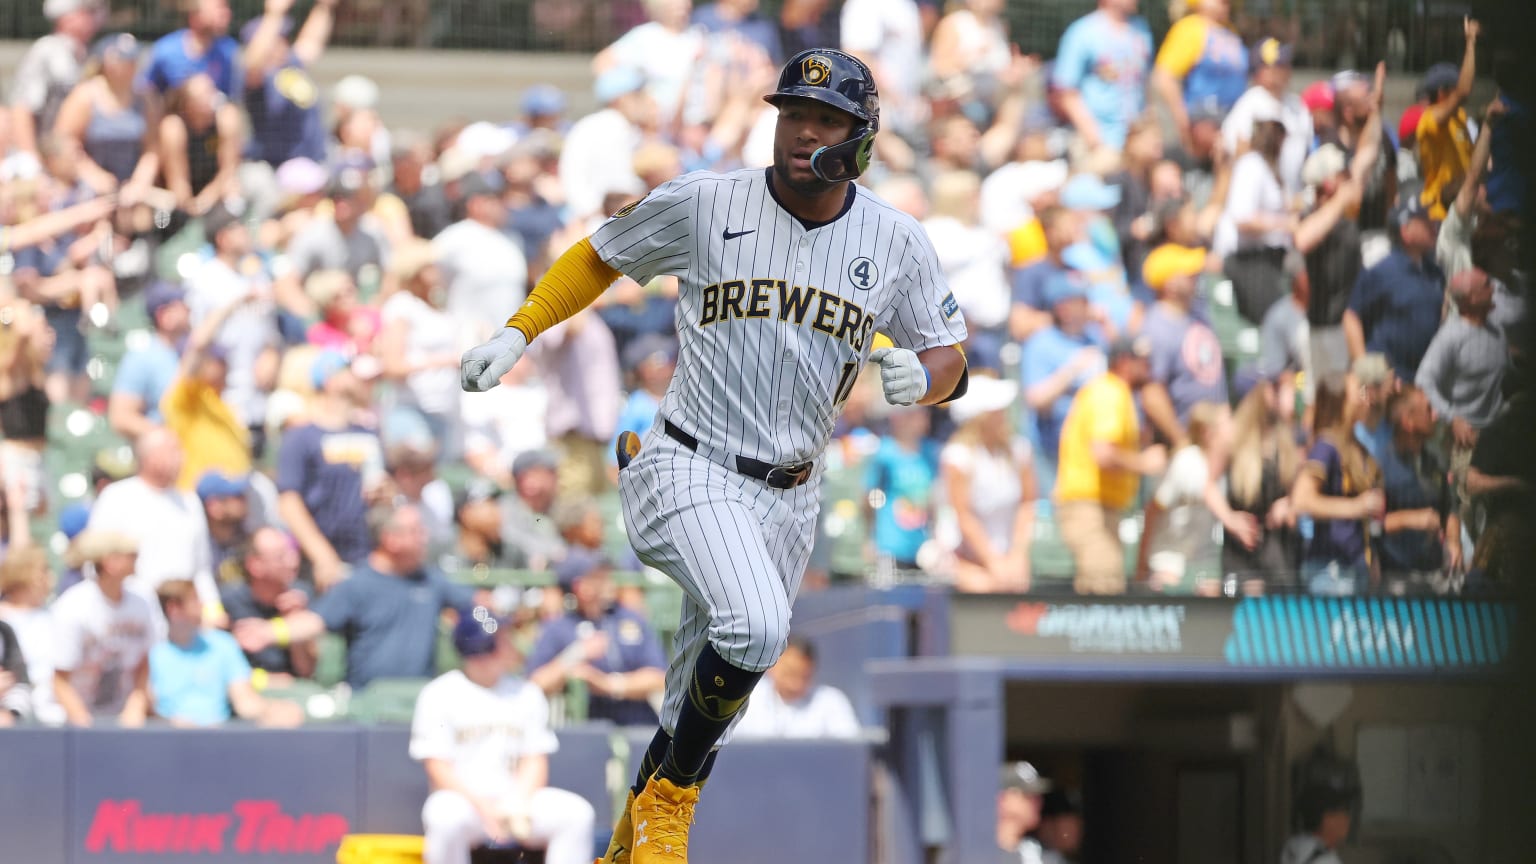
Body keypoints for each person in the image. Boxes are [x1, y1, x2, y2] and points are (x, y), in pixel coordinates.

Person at [461, 49, 968, 864]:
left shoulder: (896, 241)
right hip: (687, 462)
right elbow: (602, 253)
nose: (804, 131)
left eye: (826, 120)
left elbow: (951, 353)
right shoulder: (708, 201)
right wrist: (520, 330)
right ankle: (667, 802)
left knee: (704, 701)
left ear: (862, 140)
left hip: (793, 492)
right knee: (759, 626)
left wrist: (926, 379)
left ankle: (629, 844)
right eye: (794, 113)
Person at [410, 607, 596, 864]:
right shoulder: (439, 693)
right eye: (502, 639)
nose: (511, 644)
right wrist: (484, 809)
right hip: (465, 803)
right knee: (444, 816)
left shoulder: (526, 693)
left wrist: (518, 803)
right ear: (482, 649)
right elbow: (437, 767)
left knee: (576, 814)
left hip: (516, 800)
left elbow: (535, 759)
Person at [233, 505, 477, 690]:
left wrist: (491, 623)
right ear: (390, 539)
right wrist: (271, 632)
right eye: (415, 531)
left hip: (418, 701)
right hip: (369, 703)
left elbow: (476, 607)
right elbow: (316, 621)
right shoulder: (357, 584)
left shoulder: (431, 581)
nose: (424, 537)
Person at [1053, 336, 1167, 595]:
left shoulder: (1114, 392)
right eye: (1143, 361)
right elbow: (1103, 454)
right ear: (1125, 362)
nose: (1149, 367)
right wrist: (1143, 462)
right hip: (1089, 507)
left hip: (1098, 507)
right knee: (1103, 591)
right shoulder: (1110, 392)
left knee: (1103, 589)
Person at [274, 350, 384, 590]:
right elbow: (289, 503)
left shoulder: (369, 434)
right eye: (349, 371)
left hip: (367, 558)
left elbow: (384, 490)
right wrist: (323, 557)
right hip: (317, 565)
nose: (359, 380)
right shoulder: (301, 437)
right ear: (329, 379)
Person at [86, 427, 219, 614]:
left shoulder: (190, 501)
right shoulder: (117, 497)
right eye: (173, 450)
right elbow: (96, 561)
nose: (182, 457)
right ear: (150, 456)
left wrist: (212, 606)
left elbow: (202, 566)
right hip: (132, 612)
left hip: (182, 615)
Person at [526, 551, 667, 726]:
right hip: (584, 731)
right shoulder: (558, 627)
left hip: (638, 725)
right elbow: (535, 685)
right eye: (598, 576)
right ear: (579, 586)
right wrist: (576, 654)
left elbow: (659, 678)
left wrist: (607, 684)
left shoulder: (629, 618)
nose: (608, 581)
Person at [149, 578, 301, 727]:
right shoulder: (151, 653)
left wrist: (271, 710)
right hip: (169, 742)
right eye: (195, 600)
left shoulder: (223, 645)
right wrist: (170, 724)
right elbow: (146, 706)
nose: (202, 605)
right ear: (174, 608)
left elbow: (244, 701)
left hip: (218, 739)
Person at [1204, 366, 1301, 593]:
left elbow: (1299, 489)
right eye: (1273, 388)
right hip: (1243, 545)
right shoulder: (1231, 435)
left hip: (1278, 546)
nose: (1278, 394)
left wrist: (1289, 504)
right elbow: (1208, 485)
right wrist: (1229, 519)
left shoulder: (1284, 436)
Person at [938, 376, 1036, 593]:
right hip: (967, 560)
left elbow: (1027, 505)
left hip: (1011, 559)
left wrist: (1017, 557)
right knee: (984, 589)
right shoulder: (957, 457)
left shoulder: (1019, 449)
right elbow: (963, 515)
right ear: (980, 418)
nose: (1003, 414)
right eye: (996, 410)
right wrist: (994, 563)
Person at [51, 530, 156, 727]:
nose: (137, 558)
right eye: (131, 554)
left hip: (121, 718)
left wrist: (136, 706)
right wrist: (85, 726)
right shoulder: (73, 606)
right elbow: (59, 680)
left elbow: (144, 663)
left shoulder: (142, 602)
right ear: (110, 562)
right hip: (71, 722)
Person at [1290, 378, 1384, 596]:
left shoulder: (1358, 448)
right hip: (1331, 571)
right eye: (1358, 393)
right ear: (1341, 402)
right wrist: (1356, 507)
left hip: (1357, 567)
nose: (1365, 399)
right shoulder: (1326, 446)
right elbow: (1301, 500)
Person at [1343, 197, 1446, 381]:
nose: (1434, 226)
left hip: (1426, 379)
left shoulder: (1435, 272)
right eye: (1425, 222)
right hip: (1388, 381)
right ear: (1405, 231)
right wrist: (1362, 365)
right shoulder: (1382, 271)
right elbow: (1351, 316)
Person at [52, 33, 160, 196]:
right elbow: (63, 141)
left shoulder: (146, 98)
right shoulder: (85, 96)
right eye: (122, 60)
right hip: (89, 187)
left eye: (132, 60)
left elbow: (152, 147)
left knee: (148, 219)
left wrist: (140, 182)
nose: (129, 66)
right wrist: (92, 175)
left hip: (132, 188)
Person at [1138, 401, 1224, 594]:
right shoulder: (1187, 461)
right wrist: (1141, 564)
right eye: (1225, 425)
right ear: (1208, 432)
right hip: (1169, 558)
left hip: (1203, 560)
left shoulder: (1225, 460)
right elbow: (1153, 509)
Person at [1050, 0, 1154, 159]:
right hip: (1100, 140)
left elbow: (1145, 83)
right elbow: (1066, 91)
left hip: (1136, 140)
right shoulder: (1083, 32)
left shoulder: (1141, 30)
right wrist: (1094, 138)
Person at [219, 527, 315, 684]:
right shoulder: (229, 602)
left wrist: (294, 619)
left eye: (292, 553)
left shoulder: (301, 595)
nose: (292, 562)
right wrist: (264, 681)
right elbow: (217, 666)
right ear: (255, 565)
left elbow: (306, 670)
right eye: (280, 557)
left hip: (295, 691)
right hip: (248, 691)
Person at [7, 0, 103, 155]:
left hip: (70, 157)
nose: (95, 18)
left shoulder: (87, 53)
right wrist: (30, 158)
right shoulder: (47, 51)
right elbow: (23, 108)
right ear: (65, 17)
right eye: (87, 12)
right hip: (45, 154)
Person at [1151, 0, 1247, 150]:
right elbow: (1164, 76)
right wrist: (1183, 119)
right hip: (1205, 122)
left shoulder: (1230, 31)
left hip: (1233, 120)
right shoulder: (1190, 28)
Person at [733, 635, 860, 739]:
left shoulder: (831, 702)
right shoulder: (747, 697)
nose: (795, 685)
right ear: (773, 665)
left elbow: (850, 751)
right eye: (790, 673)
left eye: (804, 676)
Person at [1414, 18, 1479, 220]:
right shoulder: (1430, 119)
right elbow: (1464, 92)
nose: (1459, 90)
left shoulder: (1460, 117)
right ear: (1442, 93)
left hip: (1464, 208)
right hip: (1439, 212)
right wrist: (1471, 42)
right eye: (1454, 87)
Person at [108, 281, 189, 440]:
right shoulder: (142, 357)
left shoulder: (193, 352)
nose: (189, 310)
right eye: (182, 306)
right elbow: (120, 417)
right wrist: (163, 436)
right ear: (164, 316)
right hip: (167, 455)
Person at [142, 0, 239, 99]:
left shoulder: (228, 51)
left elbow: (232, 97)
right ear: (195, 16)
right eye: (219, 8)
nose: (226, 13)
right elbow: (145, 90)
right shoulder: (165, 51)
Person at [997, 761, 1052, 863]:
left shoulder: (1035, 854)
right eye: (1027, 796)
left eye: (1037, 797)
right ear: (1002, 799)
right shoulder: (971, 850)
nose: (1038, 801)